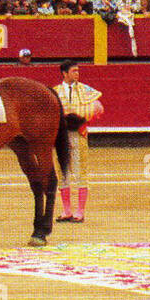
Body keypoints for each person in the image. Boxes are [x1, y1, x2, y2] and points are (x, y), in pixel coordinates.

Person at [53, 59, 102, 223]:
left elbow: (98, 109)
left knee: (81, 172)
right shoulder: (56, 92)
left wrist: (80, 115)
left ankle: (80, 212)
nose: (77, 74)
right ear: (64, 73)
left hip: (79, 134)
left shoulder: (85, 90)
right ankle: (67, 211)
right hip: (62, 136)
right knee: (63, 173)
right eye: (74, 71)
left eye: (78, 71)